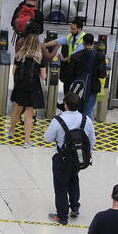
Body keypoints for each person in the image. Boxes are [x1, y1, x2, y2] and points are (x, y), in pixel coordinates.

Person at [44, 93, 95, 225]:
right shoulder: (86, 120)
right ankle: (75, 207)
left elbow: (47, 138)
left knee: (60, 187)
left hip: (62, 158)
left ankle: (62, 216)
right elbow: (91, 140)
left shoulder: (58, 120)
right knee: (74, 180)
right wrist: (88, 154)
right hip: (78, 158)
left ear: (65, 105)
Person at [6, 32, 45, 147]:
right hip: (33, 88)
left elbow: (13, 72)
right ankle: (26, 141)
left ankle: (11, 131)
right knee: (29, 114)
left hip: (20, 87)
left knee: (17, 109)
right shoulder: (40, 58)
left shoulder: (19, 55)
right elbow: (43, 76)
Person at [62, 32, 106, 119]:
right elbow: (102, 74)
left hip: (77, 88)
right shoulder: (99, 56)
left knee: (75, 112)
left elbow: (69, 75)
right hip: (92, 87)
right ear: (93, 43)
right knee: (88, 112)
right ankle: (87, 131)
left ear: (83, 43)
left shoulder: (75, 56)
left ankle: (75, 130)